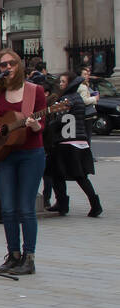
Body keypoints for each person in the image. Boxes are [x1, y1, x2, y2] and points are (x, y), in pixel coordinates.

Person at [0, 50, 46, 275]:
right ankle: (13, 255)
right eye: (3, 64)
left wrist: (37, 125)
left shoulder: (35, 91)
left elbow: (42, 122)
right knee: (7, 208)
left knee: (25, 208)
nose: (7, 67)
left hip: (31, 154)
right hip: (5, 155)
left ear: (19, 66)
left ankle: (29, 258)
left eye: (11, 63)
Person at [46, 73, 102, 217]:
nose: (61, 84)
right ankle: (95, 204)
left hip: (67, 141)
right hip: (80, 141)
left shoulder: (66, 99)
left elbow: (60, 120)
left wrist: (49, 127)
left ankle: (62, 203)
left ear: (70, 83)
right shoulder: (77, 97)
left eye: (64, 82)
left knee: (56, 174)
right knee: (81, 176)